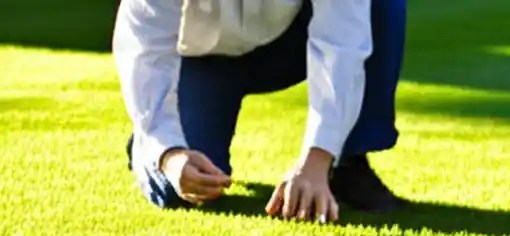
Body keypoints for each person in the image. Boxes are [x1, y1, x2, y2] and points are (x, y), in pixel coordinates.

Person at [113, 0, 407, 222]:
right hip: (198, 58)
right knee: (183, 189)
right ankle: (147, 142)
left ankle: (346, 164)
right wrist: (168, 152)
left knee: (381, 5)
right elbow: (144, 44)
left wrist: (319, 157)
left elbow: (342, 42)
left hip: (287, 44)